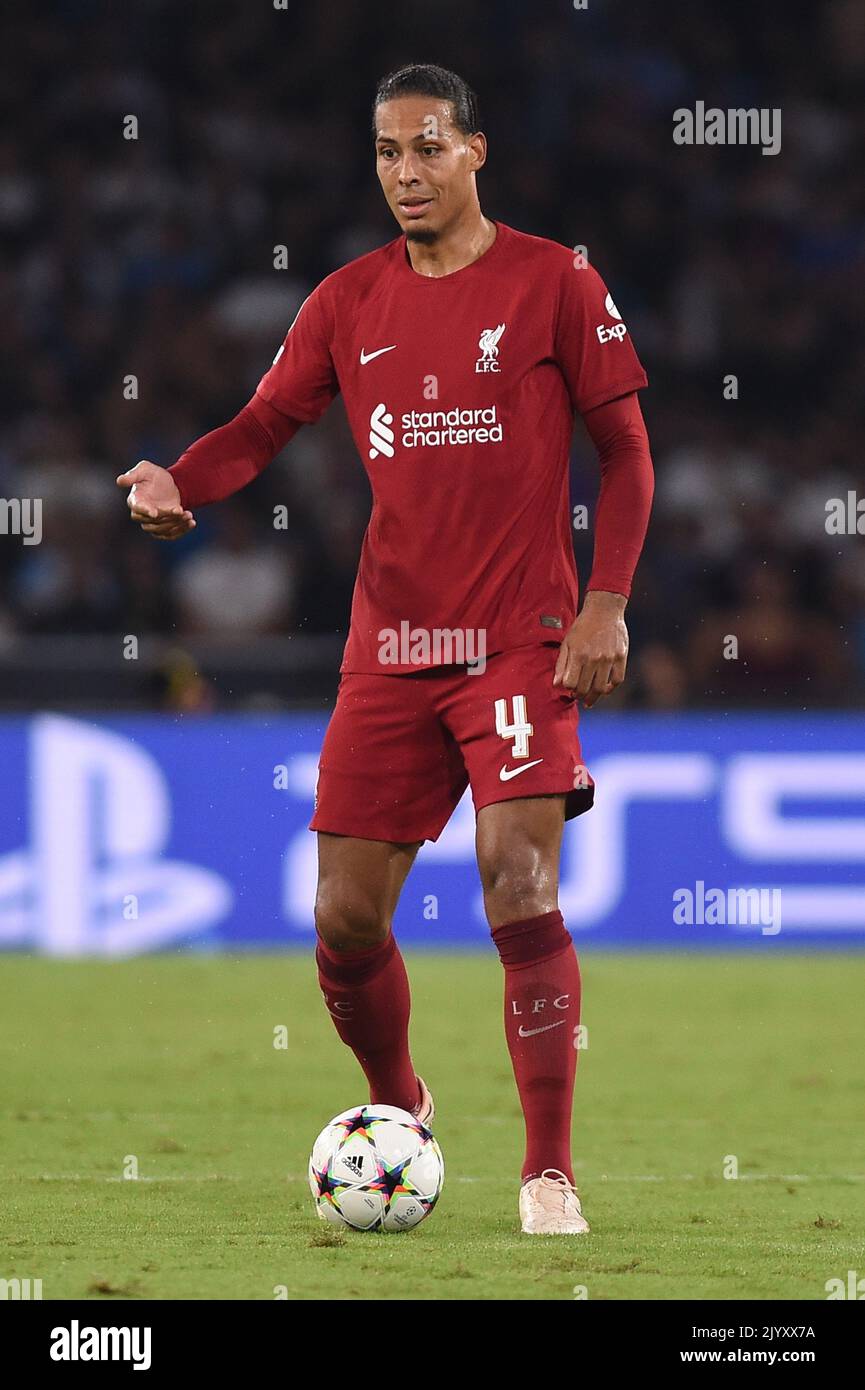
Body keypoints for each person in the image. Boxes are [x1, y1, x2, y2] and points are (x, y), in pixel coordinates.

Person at [118, 63, 654, 1235]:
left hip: (517, 639)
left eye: (424, 148)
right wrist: (179, 479)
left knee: (517, 880)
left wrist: (605, 602)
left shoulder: (555, 280)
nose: (403, 173)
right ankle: (397, 1109)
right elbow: (264, 424)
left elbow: (625, 450)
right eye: (384, 153)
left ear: (474, 151)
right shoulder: (347, 302)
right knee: (344, 920)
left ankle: (546, 1171)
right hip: (393, 645)